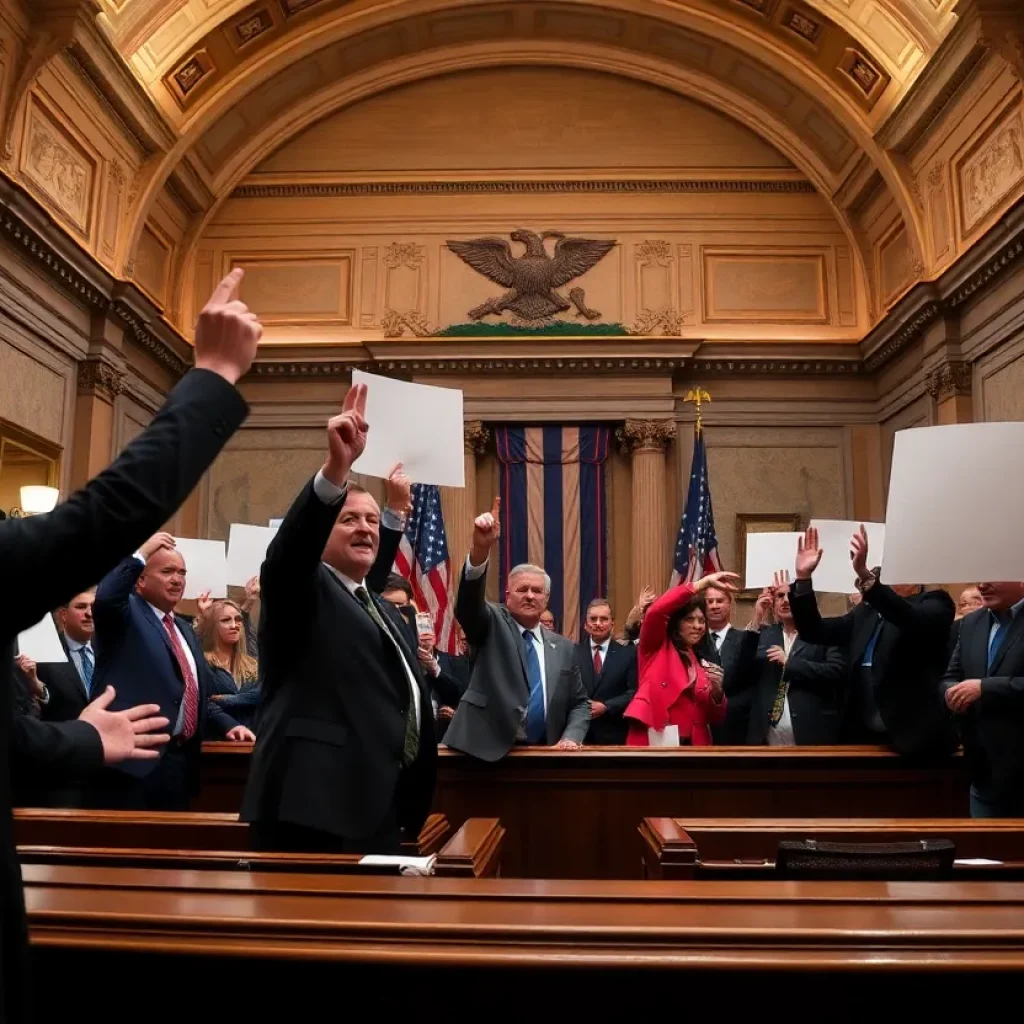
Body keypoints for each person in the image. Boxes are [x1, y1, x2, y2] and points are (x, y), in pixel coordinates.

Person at [0, 267, 261, 1021]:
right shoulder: (125, 603)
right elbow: (101, 521)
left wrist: (80, 738)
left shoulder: (178, 628)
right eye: (165, 571)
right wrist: (213, 374)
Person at [241, 384, 436, 853]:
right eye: (349, 519)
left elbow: (371, 568)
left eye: (371, 521)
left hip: (375, 804)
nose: (365, 528)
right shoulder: (302, 586)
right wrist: (335, 470)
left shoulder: (370, 601)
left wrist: (394, 513)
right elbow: (289, 555)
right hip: (313, 810)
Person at [90, 533, 254, 809]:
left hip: (179, 764)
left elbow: (194, 695)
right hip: (131, 765)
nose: (177, 579)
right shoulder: (126, 615)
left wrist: (230, 725)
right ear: (140, 580)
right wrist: (142, 552)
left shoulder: (184, 630)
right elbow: (106, 597)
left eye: (182, 573)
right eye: (167, 572)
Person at [789, 524, 958, 756]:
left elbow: (908, 617)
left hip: (914, 738)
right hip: (862, 734)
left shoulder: (937, 603)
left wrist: (864, 575)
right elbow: (814, 631)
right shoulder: (867, 612)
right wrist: (803, 580)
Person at [445, 499, 590, 759]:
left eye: (537, 591)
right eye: (522, 590)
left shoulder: (564, 647)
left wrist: (571, 737)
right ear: (508, 595)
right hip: (482, 756)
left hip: (545, 755)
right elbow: (468, 605)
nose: (530, 596)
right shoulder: (493, 622)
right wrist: (481, 550)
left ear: (547, 599)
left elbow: (580, 703)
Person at [624, 572, 738, 746]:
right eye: (690, 620)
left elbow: (716, 718)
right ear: (676, 623)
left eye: (701, 621)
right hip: (655, 743)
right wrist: (701, 584)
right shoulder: (655, 647)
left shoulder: (701, 660)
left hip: (694, 748)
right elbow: (656, 612)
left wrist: (717, 693)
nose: (697, 626)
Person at [942, 580, 1024, 817]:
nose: (982, 585)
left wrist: (986, 688)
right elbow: (951, 676)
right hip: (984, 772)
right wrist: (951, 694)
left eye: (993, 575)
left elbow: (981, 686)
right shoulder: (971, 623)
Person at [746, 574, 846, 745]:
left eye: (791, 595)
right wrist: (757, 617)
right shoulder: (762, 634)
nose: (785, 601)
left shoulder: (827, 633)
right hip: (766, 737)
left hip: (811, 733)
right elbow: (742, 667)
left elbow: (837, 671)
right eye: (780, 596)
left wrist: (790, 663)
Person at [575, 598, 637, 744]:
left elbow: (634, 691)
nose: (598, 623)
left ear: (612, 624)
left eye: (603, 619)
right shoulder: (573, 652)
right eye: (593, 619)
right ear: (585, 625)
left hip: (615, 734)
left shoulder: (628, 654)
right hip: (580, 734)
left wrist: (607, 706)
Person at [196, 597, 261, 733]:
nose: (234, 625)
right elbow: (204, 701)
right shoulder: (203, 662)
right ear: (213, 625)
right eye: (226, 620)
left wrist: (228, 699)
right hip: (216, 737)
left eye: (238, 619)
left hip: (252, 736)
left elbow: (261, 694)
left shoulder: (251, 664)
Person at [37, 590, 95, 722]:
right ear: (64, 615)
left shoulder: (111, 649)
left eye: (94, 607)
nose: (90, 613)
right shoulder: (45, 655)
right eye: (81, 607)